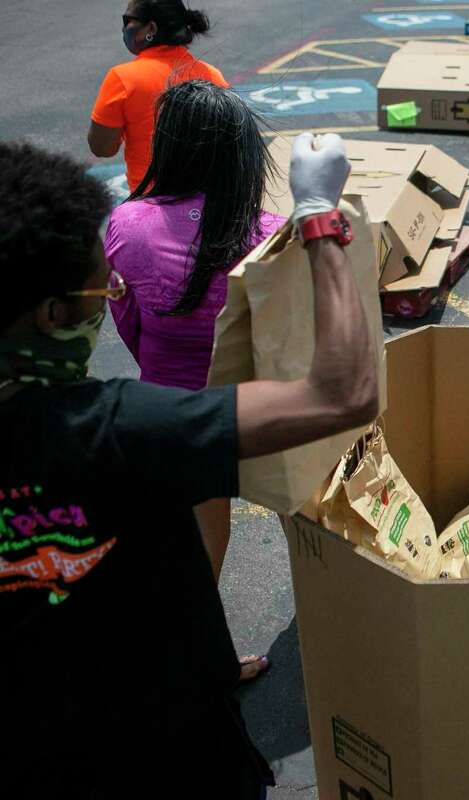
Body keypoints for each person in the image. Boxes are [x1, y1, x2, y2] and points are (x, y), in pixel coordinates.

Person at [0, 134, 373, 797]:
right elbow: (343, 395)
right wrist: (318, 213)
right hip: (169, 754)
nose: (110, 290)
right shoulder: (121, 429)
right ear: (54, 315)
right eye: (98, 283)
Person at [104, 79, 285, 681]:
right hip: (255, 410)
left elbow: (129, 324)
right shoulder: (270, 231)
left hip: (168, 413)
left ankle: (195, 661)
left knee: (197, 549)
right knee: (308, 524)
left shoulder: (128, 225)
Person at [89, 1, 227, 193]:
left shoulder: (123, 78)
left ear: (151, 28)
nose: (124, 28)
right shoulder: (214, 76)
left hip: (150, 205)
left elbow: (102, 148)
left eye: (128, 20)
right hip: (205, 206)